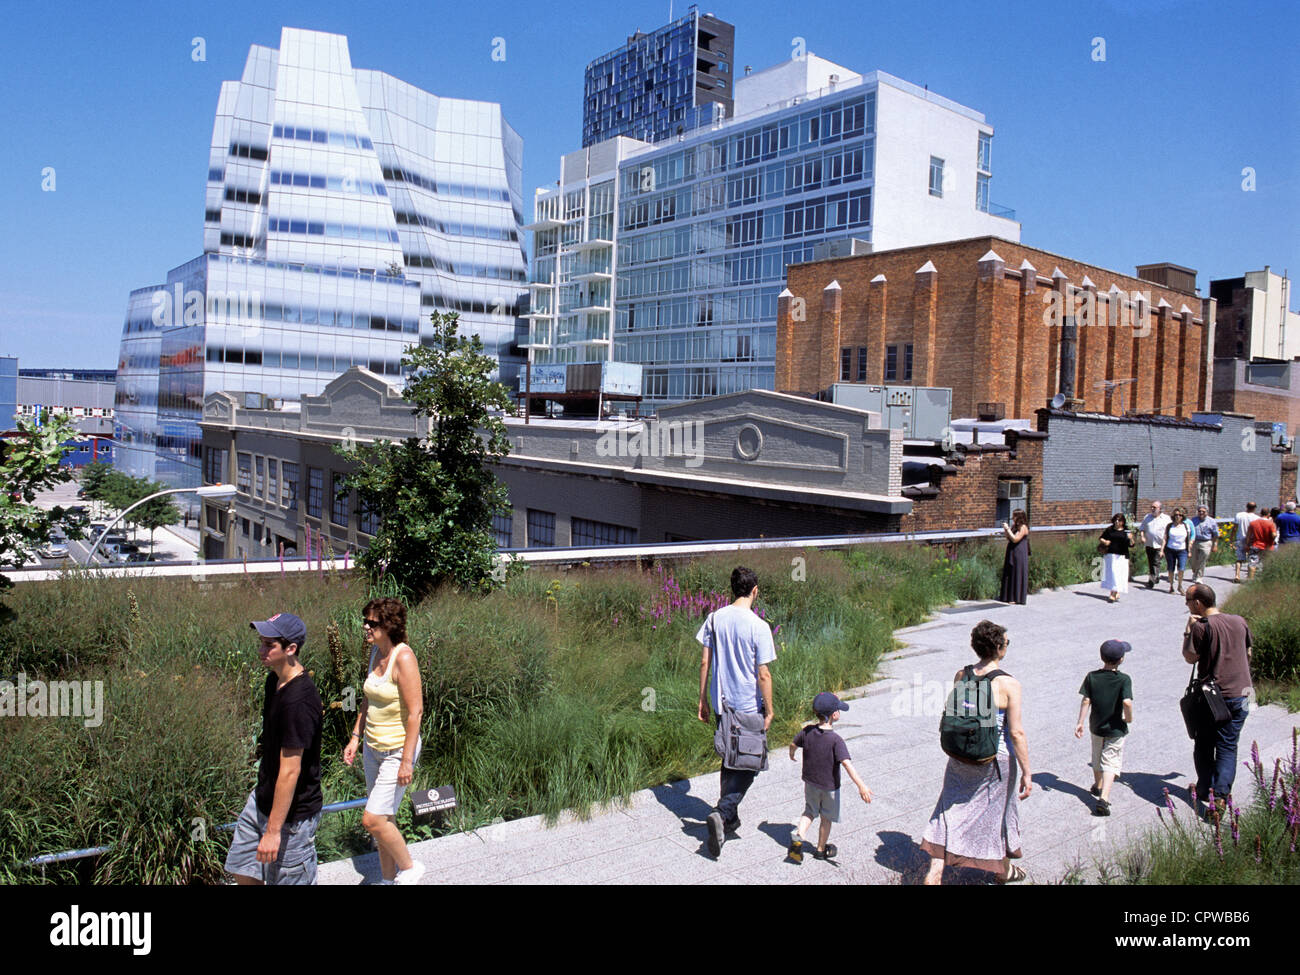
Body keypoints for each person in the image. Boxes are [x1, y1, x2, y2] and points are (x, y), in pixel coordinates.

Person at [921, 620, 1032, 885]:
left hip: (959, 756)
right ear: (998, 647)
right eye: (1006, 642)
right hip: (994, 760)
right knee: (1000, 811)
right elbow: (1015, 733)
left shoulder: (962, 675)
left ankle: (935, 873)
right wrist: (1028, 772)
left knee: (948, 808)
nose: (1007, 646)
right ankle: (1002, 872)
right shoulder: (1008, 684)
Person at [224, 612, 323, 885]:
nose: (261, 650)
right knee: (242, 868)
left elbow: (291, 771)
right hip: (262, 799)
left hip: (293, 816)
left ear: (291, 649)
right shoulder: (274, 681)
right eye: (261, 642)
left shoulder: (300, 701)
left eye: (269, 645)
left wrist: (273, 831)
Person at [343, 598, 426, 885]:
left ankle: (411, 867)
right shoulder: (375, 653)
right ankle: (387, 880)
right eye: (364, 620)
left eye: (372, 623)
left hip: (397, 751)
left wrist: (406, 762)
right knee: (383, 820)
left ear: (389, 626)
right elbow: (368, 699)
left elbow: (416, 712)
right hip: (372, 748)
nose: (365, 626)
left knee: (372, 819)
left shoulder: (403, 657)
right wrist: (355, 736)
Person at [697, 565, 777, 858]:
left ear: (733, 589)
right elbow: (764, 674)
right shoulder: (759, 626)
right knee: (751, 762)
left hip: (722, 703)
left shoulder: (714, 619)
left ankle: (727, 821)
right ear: (754, 590)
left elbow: (705, 663)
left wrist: (702, 699)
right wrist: (769, 709)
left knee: (731, 757)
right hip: (747, 705)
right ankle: (724, 811)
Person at [1182, 583, 1252, 815]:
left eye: (1188, 602)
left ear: (1198, 603)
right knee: (1228, 745)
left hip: (1215, 697)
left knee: (1204, 743)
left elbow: (1190, 658)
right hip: (1242, 693)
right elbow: (1248, 653)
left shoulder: (1202, 626)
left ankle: (1205, 790)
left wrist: (1188, 629)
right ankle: (1220, 796)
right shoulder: (1239, 620)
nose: (1187, 605)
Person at [786, 692, 872, 864]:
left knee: (809, 811)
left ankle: (798, 836)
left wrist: (792, 753)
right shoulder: (836, 740)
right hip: (829, 787)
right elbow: (847, 764)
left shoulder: (807, 731)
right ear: (834, 715)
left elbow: (793, 744)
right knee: (826, 818)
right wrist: (861, 785)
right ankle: (820, 850)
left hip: (810, 783)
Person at [1074, 639, 1134, 817]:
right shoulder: (1124, 679)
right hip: (1116, 729)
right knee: (1111, 762)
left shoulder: (1092, 676)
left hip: (1096, 727)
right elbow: (1127, 703)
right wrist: (1128, 718)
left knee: (1097, 756)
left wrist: (1080, 722)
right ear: (1121, 659)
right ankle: (1104, 798)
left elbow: (1086, 700)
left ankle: (1098, 785)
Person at [1097, 513, 1135, 603]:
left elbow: (1132, 545)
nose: (1117, 522)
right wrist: (1105, 541)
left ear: (1123, 522)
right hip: (1111, 555)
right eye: (1116, 520)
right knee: (1113, 573)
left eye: (1119, 520)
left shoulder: (1126, 531)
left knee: (1119, 575)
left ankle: (1113, 593)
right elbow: (1101, 538)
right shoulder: (1110, 530)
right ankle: (1114, 592)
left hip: (1122, 556)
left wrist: (1131, 539)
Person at [998, 509, 1031, 604]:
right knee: (1010, 572)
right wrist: (1006, 530)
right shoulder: (1015, 526)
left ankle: (1016, 597)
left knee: (1017, 572)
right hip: (1012, 551)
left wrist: (1008, 529)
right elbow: (1009, 538)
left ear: (1019, 517)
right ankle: (1008, 596)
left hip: (1019, 553)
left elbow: (1016, 539)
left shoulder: (1023, 527)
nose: (1012, 518)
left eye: (1014, 516)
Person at [1138, 501, 1171, 588]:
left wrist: (1165, 546)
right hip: (1149, 544)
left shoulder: (1166, 519)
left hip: (1160, 545)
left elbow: (1169, 532)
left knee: (1156, 562)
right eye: (1151, 507)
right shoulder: (1147, 517)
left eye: (1154, 507)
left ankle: (1151, 580)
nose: (1152, 509)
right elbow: (1142, 528)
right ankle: (1155, 576)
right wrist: (1142, 536)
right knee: (1151, 562)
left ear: (1160, 509)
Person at [1161, 507, 1191, 594]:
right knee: (1171, 569)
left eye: (1180, 515)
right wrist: (1162, 550)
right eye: (1176, 515)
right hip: (1170, 549)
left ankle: (1180, 586)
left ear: (1183, 516)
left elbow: (1188, 540)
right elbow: (1165, 538)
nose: (1178, 517)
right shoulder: (1170, 526)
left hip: (1182, 550)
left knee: (1181, 569)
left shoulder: (1185, 526)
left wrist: (1189, 551)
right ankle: (1171, 586)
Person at [1188, 505, 1218, 583]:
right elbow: (1189, 532)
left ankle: (1199, 577)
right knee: (1193, 561)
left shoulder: (1212, 521)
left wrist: (1215, 545)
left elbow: (1215, 535)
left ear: (1207, 512)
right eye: (1199, 511)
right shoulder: (1193, 520)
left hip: (1206, 542)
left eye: (1203, 511)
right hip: (1194, 542)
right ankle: (1195, 572)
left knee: (1202, 560)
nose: (1201, 513)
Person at [1231, 501, 1259, 582]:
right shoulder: (1256, 518)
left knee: (1239, 558)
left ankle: (1237, 576)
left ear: (1246, 506)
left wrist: (1231, 538)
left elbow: (1235, 528)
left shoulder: (1239, 515)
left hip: (1240, 538)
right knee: (1251, 559)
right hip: (1251, 540)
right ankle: (1250, 577)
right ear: (1254, 508)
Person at [1245, 509, 1277, 579]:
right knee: (1267, 564)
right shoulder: (1271, 524)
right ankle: (1265, 580)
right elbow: (1274, 535)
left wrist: (1247, 545)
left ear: (1260, 514)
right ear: (1268, 514)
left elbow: (1248, 535)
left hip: (1255, 546)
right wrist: (1273, 539)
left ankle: (1250, 581)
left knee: (1252, 564)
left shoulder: (1253, 523)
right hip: (1267, 547)